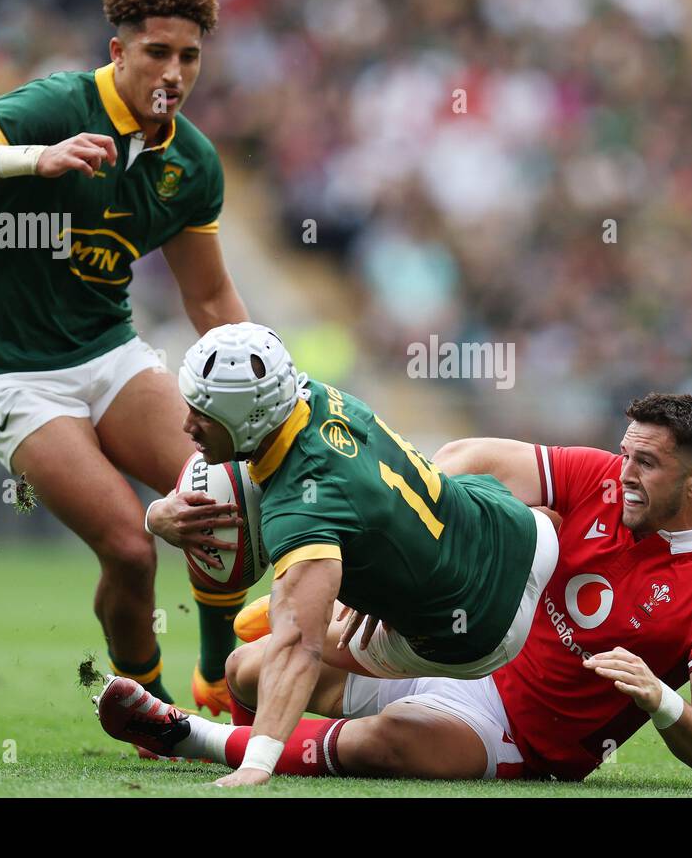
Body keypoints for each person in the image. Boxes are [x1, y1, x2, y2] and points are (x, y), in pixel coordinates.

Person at [0, 0, 250, 712]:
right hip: (10, 371)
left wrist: (271, 389)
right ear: (117, 51)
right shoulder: (56, 104)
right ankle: (150, 706)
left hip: (110, 354)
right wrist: (35, 158)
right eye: (157, 52)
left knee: (220, 498)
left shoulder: (191, 162)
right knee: (129, 547)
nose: (173, 72)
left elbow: (210, 296)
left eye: (189, 56)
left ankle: (218, 680)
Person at [98, 393, 692, 783]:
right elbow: (465, 457)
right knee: (250, 668)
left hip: (516, 736)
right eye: (626, 454)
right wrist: (404, 553)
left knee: (386, 741)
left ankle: (188, 739)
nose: (627, 473)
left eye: (647, 463)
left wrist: (660, 702)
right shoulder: (601, 479)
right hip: (452, 642)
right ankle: (248, 745)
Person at [125, 321, 559, 784]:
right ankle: (321, 597)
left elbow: (299, 648)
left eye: (202, 415)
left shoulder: (303, 506)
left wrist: (257, 765)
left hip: (476, 638)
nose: (187, 424)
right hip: (526, 533)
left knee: (249, 664)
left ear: (247, 419)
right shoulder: (310, 394)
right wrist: (156, 516)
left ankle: (224, 741)